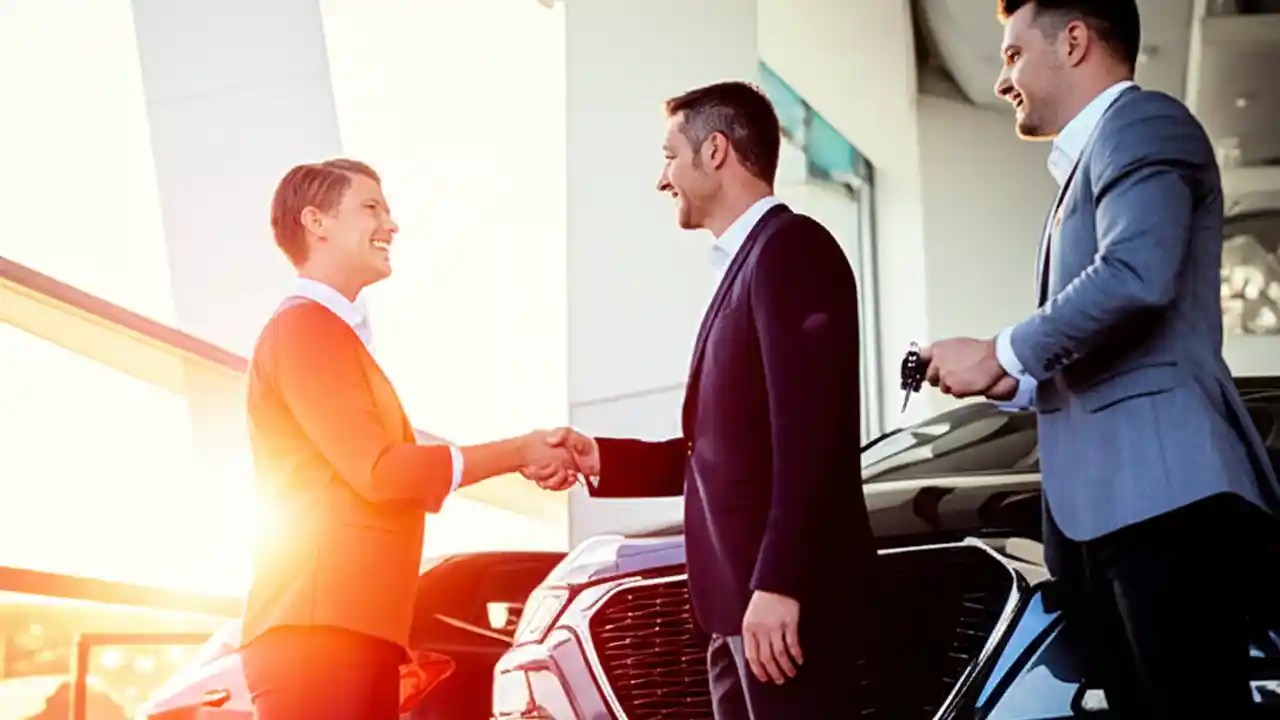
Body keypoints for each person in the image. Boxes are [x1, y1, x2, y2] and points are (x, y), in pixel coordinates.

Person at [921, 1, 1280, 715]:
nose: (1002, 79)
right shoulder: (1089, 164)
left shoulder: (1144, 125)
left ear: (1075, 41)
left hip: (1165, 502)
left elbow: (1134, 278)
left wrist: (1002, 348)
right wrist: (1006, 376)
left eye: (1014, 55)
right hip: (1109, 517)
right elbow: (1108, 340)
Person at [526, 82, 877, 719]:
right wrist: (598, 456)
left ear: (714, 151)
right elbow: (723, 451)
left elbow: (811, 440)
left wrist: (780, 582)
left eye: (669, 156)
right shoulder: (749, 264)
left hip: (782, 613)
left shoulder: (791, 251)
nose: (664, 179)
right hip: (736, 614)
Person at [239, 158, 572, 720]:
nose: (390, 225)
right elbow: (382, 471)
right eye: (371, 207)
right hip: (318, 631)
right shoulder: (305, 329)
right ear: (316, 222)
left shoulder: (328, 334)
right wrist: (517, 452)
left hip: (344, 628)